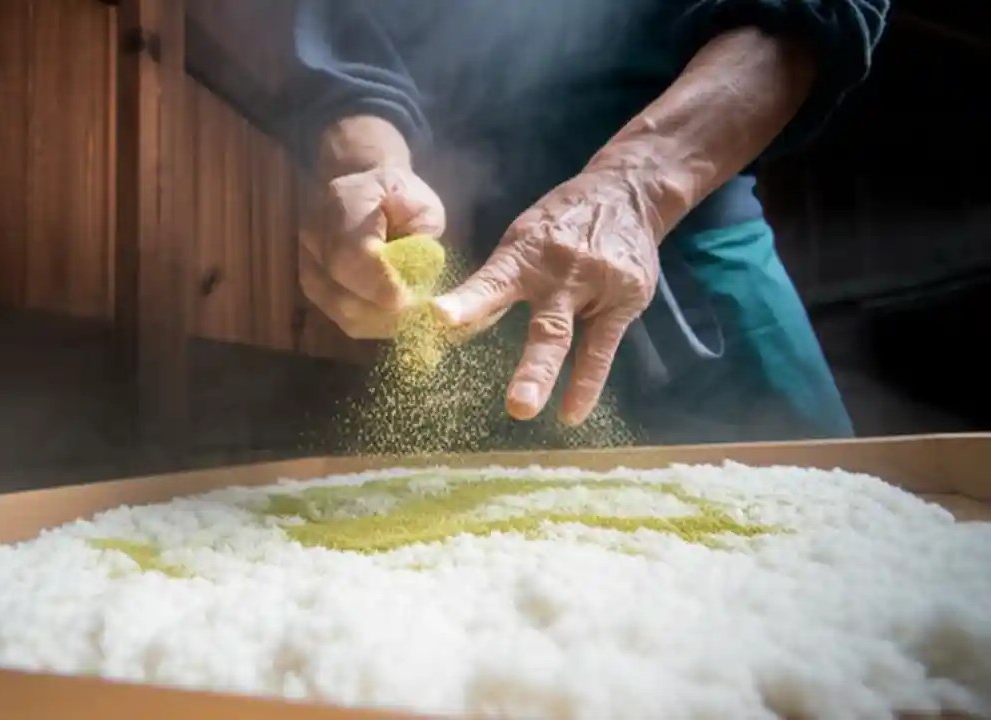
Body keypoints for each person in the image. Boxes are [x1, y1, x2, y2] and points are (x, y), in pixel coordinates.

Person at [285, 0, 888, 444]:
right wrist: (373, 172)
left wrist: (632, 189)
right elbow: (349, 38)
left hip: (696, 236)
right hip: (484, 281)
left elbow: (817, 15)